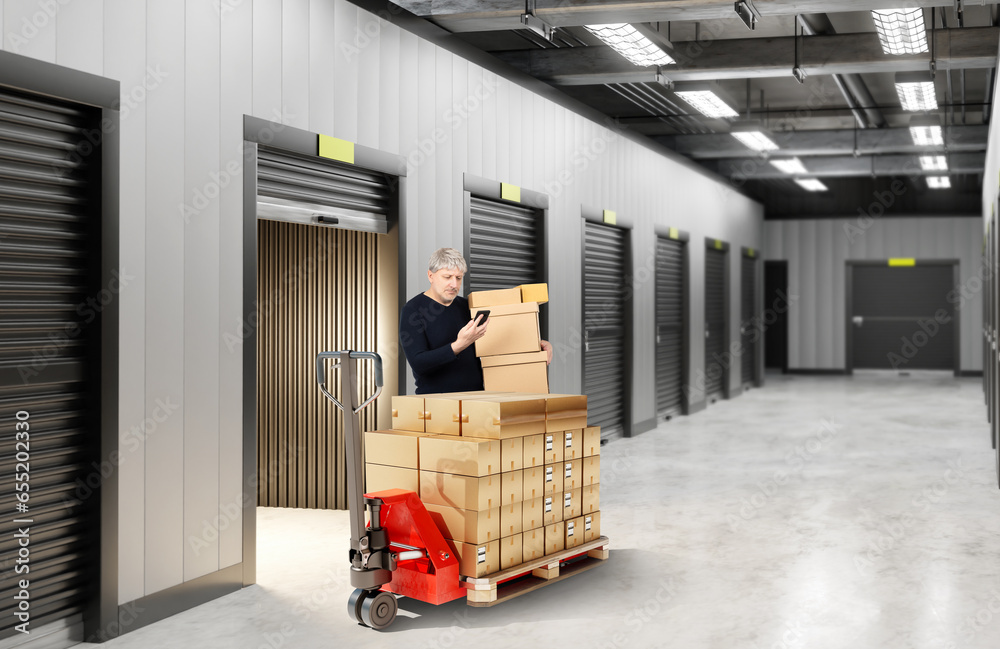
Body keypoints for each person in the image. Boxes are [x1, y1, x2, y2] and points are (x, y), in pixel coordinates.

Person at [399, 248, 552, 394]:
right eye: (447, 277)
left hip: (478, 398)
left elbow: (497, 343)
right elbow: (419, 363)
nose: (454, 284)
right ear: (430, 276)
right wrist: (459, 345)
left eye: (458, 278)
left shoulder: (467, 306)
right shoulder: (413, 310)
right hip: (437, 401)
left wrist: (537, 345)